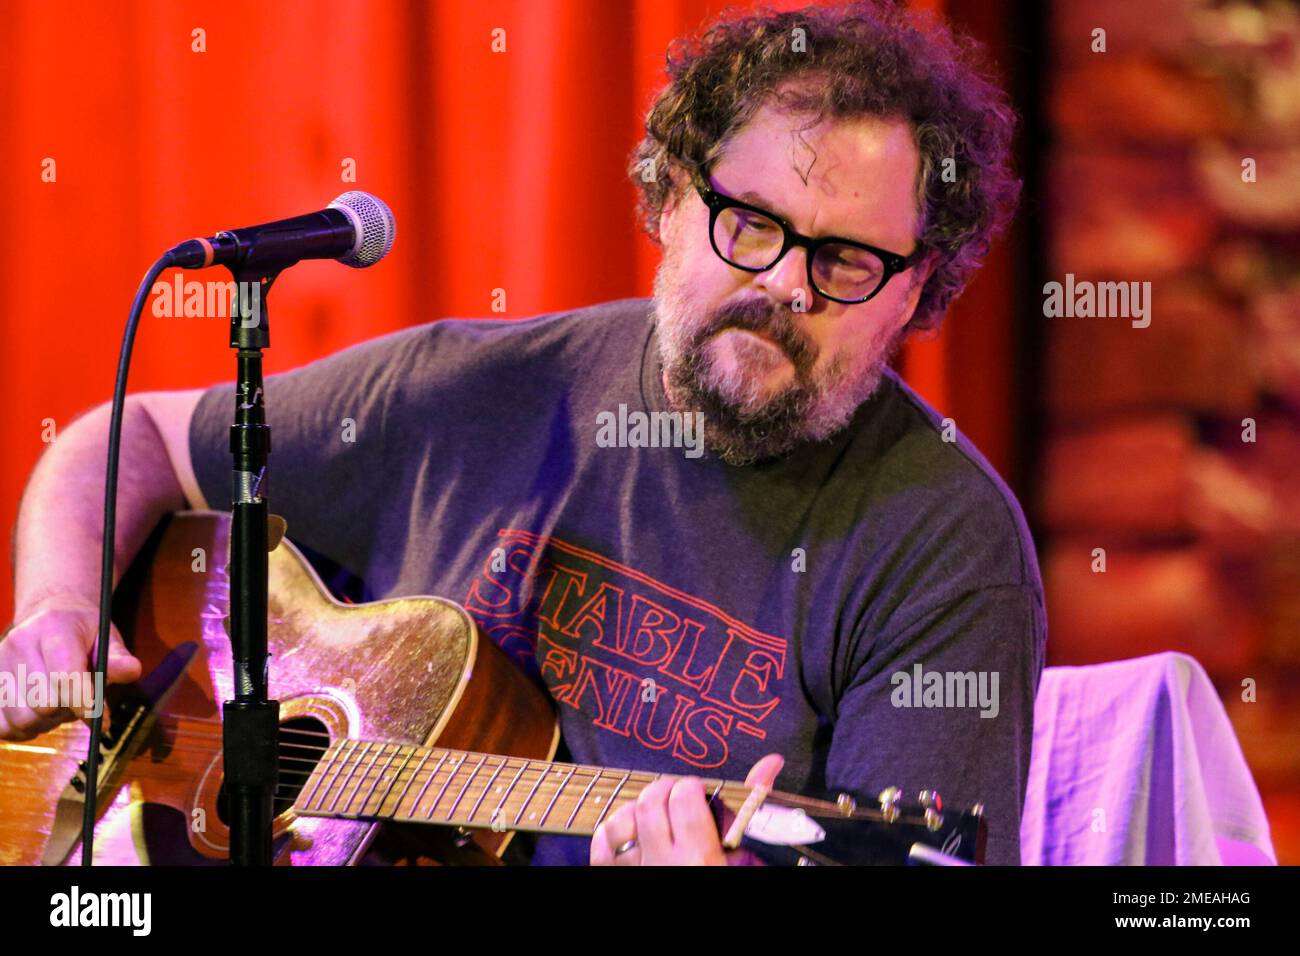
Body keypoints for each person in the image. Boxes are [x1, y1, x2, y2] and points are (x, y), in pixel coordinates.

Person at [1, 1, 1042, 866]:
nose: (782, 284)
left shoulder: (944, 548)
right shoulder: (476, 387)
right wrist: (58, 608)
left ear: (917, 291)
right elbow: (126, 436)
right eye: (751, 224)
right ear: (671, 197)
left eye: (847, 262)